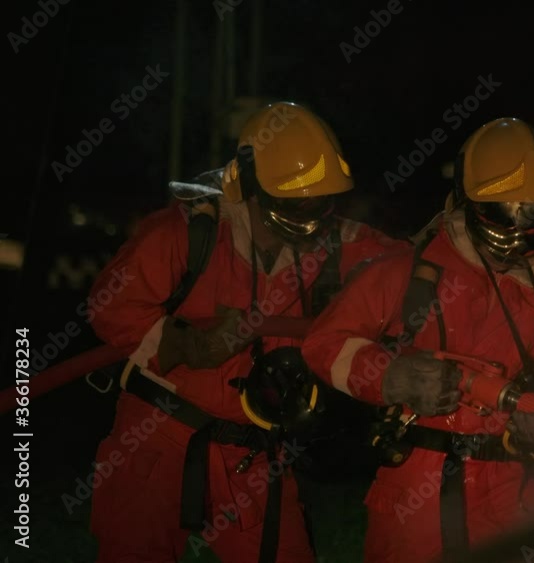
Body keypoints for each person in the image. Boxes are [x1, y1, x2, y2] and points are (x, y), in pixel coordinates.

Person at [87, 101, 409, 563]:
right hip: (157, 438)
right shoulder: (186, 233)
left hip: (254, 450)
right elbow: (109, 307)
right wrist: (188, 344)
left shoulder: (337, 243)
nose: (309, 214)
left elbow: (410, 269)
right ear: (251, 186)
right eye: (295, 202)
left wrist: (456, 232)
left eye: (319, 201)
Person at [301, 117, 534, 563]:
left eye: (529, 209)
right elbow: (324, 343)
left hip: (515, 489)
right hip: (415, 496)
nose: (514, 223)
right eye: (501, 207)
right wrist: (391, 375)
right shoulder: (409, 272)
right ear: (469, 201)